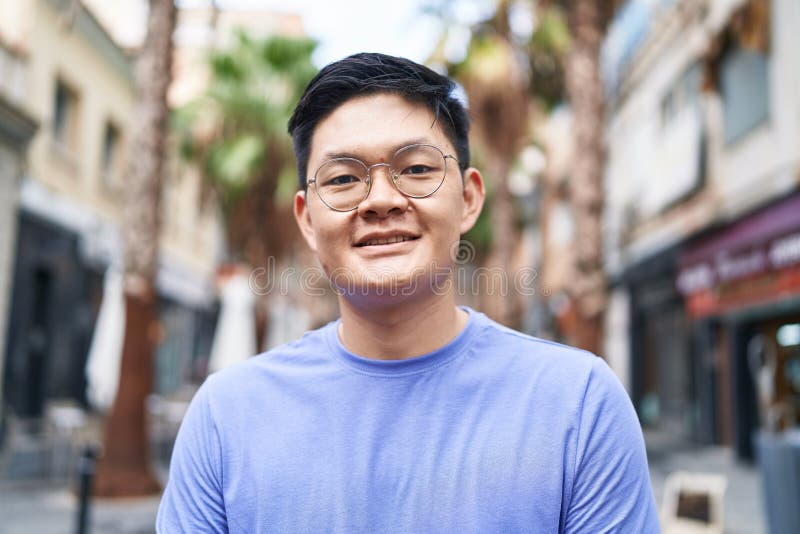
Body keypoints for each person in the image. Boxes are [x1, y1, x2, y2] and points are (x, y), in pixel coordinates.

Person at [157, 52, 660, 533]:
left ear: (468, 199)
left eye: (417, 169)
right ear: (307, 219)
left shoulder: (578, 405)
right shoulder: (226, 417)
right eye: (343, 178)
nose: (380, 200)